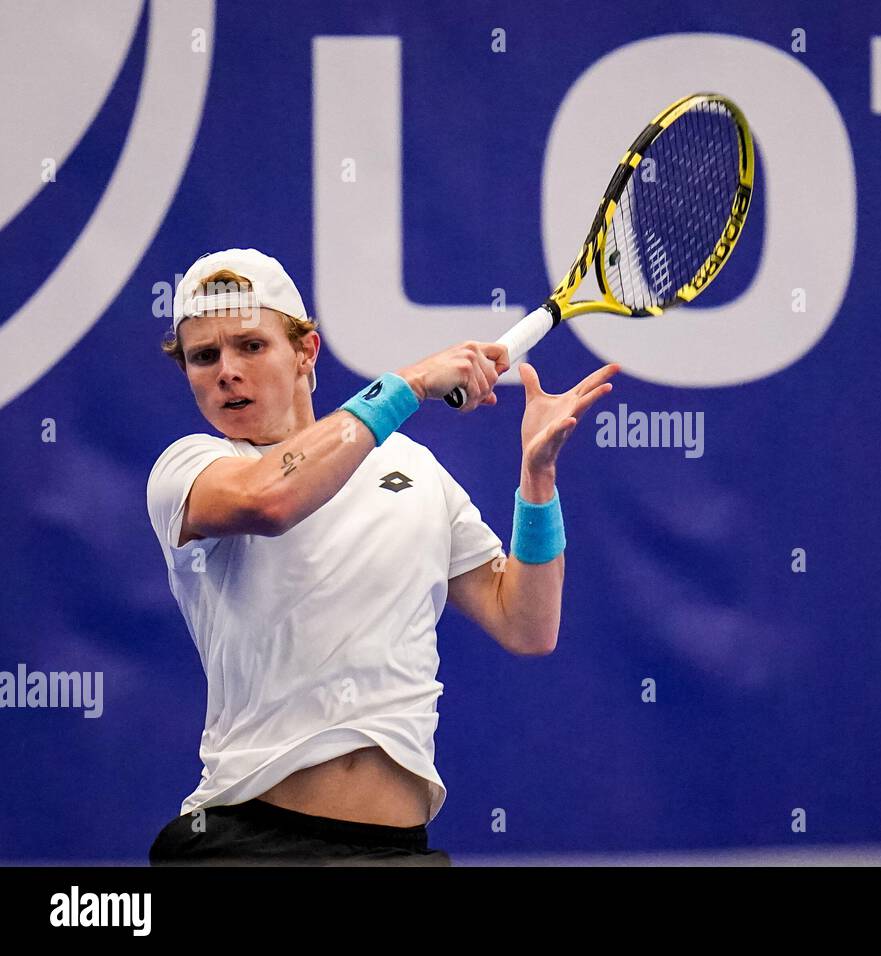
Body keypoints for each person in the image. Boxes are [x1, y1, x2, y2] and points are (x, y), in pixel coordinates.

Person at [144, 248, 617, 865]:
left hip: (395, 851)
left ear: (306, 352)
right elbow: (272, 500)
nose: (226, 370)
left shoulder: (415, 469)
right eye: (204, 356)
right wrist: (410, 384)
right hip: (245, 841)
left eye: (250, 346)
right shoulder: (191, 469)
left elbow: (527, 624)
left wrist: (537, 480)